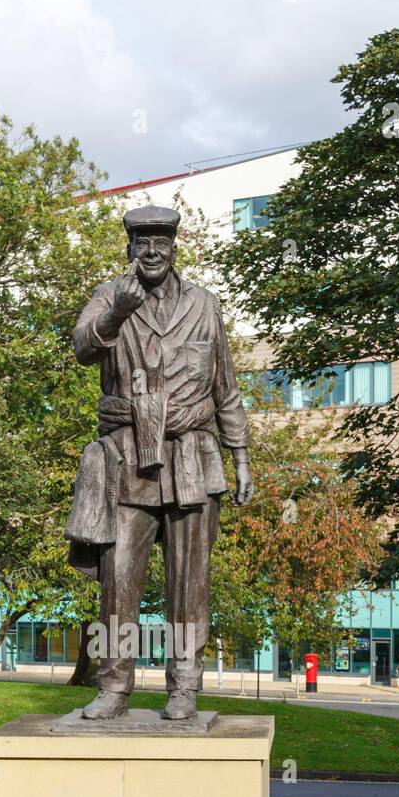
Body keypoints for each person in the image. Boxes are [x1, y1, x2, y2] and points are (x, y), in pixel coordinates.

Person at [67, 204, 253, 721]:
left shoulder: (204, 305)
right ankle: (114, 686)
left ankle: (184, 687)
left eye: (160, 243)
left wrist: (241, 459)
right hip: (128, 457)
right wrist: (117, 312)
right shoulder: (111, 296)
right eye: (141, 243)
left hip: (193, 456)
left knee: (190, 582)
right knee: (118, 577)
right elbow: (83, 348)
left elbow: (226, 389)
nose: (151, 252)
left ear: (174, 248)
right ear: (130, 249)